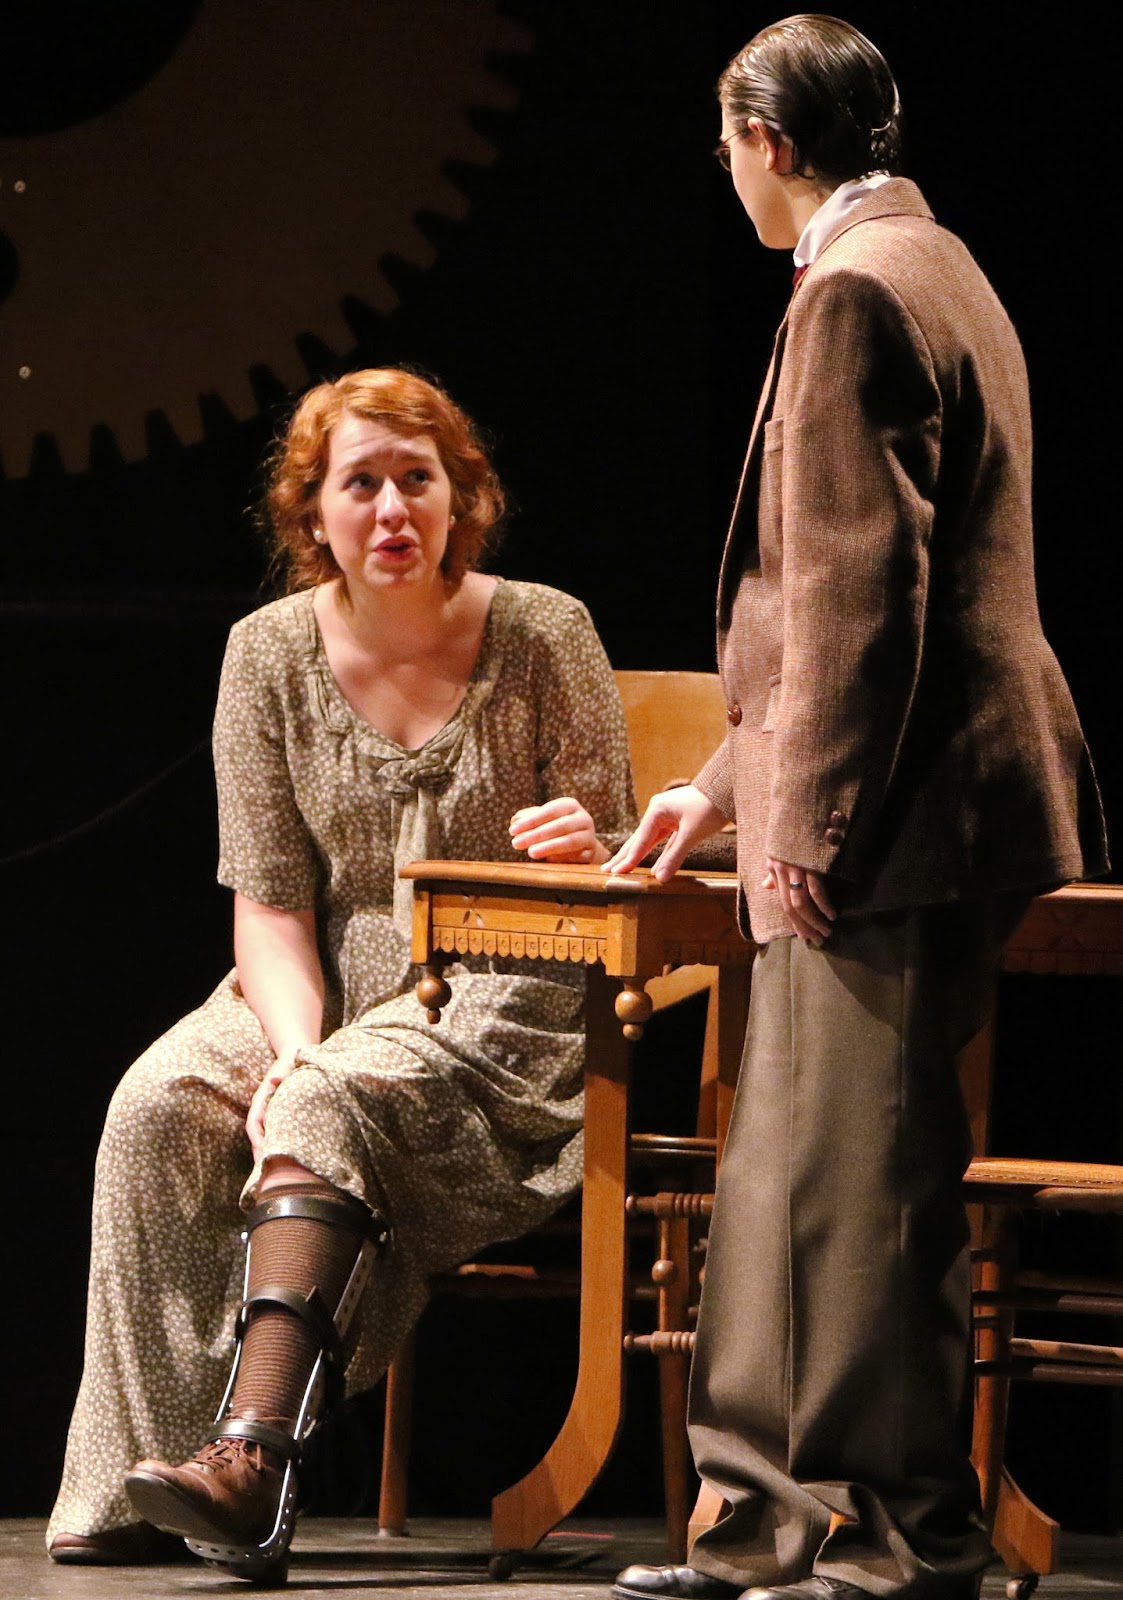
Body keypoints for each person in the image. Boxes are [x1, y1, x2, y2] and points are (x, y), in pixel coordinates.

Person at [608, 16, 1107, 1600]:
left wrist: (806, 826)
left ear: (765, 139)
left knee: (862, 1184)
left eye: (723, 141)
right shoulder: (936, 261)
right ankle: (760, 1516)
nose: (723, 169)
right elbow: (825, 610)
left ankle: (885, 1534)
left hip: (895, 808)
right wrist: (714, 793)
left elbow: (853, 599)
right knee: (798, 1170)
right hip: (906, 788)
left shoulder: (852, 293)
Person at [47, 367, 634, 1578]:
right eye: (358, 484)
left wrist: (591, 840)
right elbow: (267, 906)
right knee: (155, 1106)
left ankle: (252, 1464)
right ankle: (134, 1475)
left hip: (509, 987)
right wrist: (298, 1046)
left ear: (460, 499)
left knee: (321, 1099)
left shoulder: (546, 631)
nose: (390, 509)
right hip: (323, 981)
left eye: (416, 479)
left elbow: (617, 852)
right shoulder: (263, 652)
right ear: (312, 513)